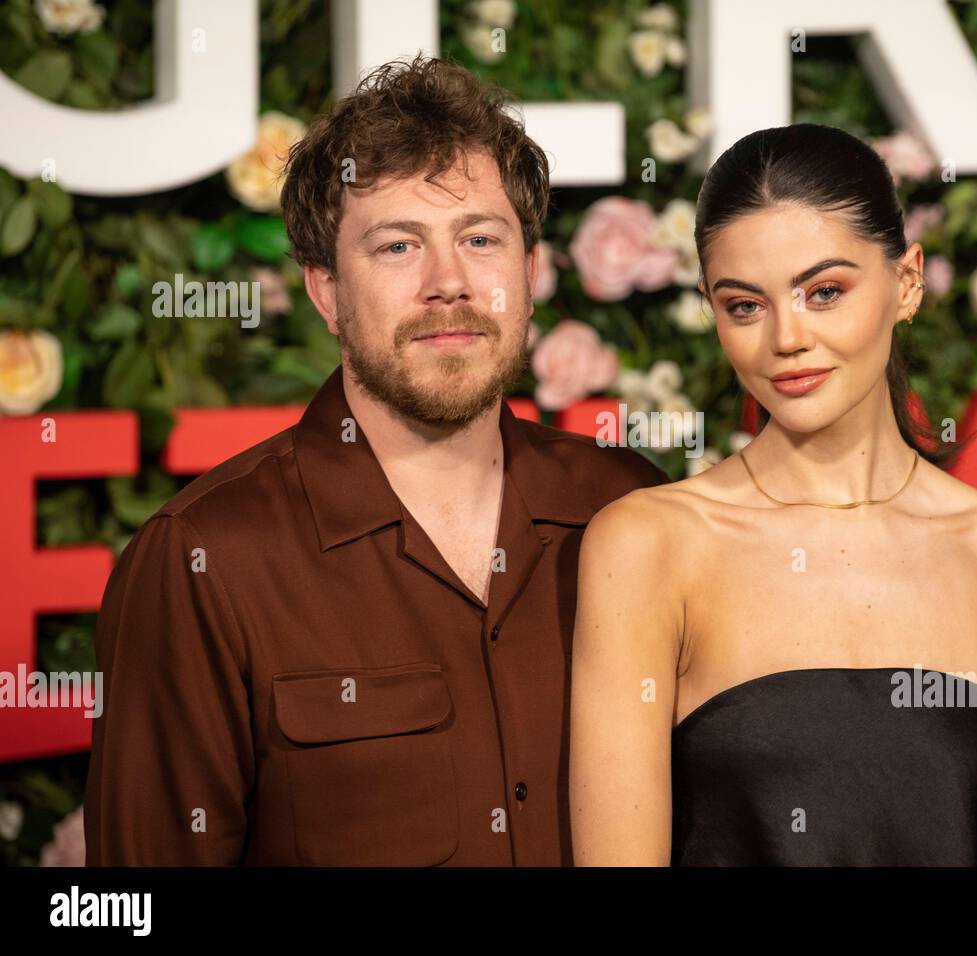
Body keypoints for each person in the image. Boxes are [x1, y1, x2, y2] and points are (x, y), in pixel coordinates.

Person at [84, 56, 667, 866]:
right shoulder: (204, 559)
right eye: (398, 246)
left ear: (530, 272)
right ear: (326, 291)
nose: (449, 283)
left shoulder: (628, 506)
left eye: (481, 239)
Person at [569, 124, 977, 866]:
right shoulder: (649, 548)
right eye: (744, 305)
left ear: (908, 282)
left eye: (824, 292)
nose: (786, 338)